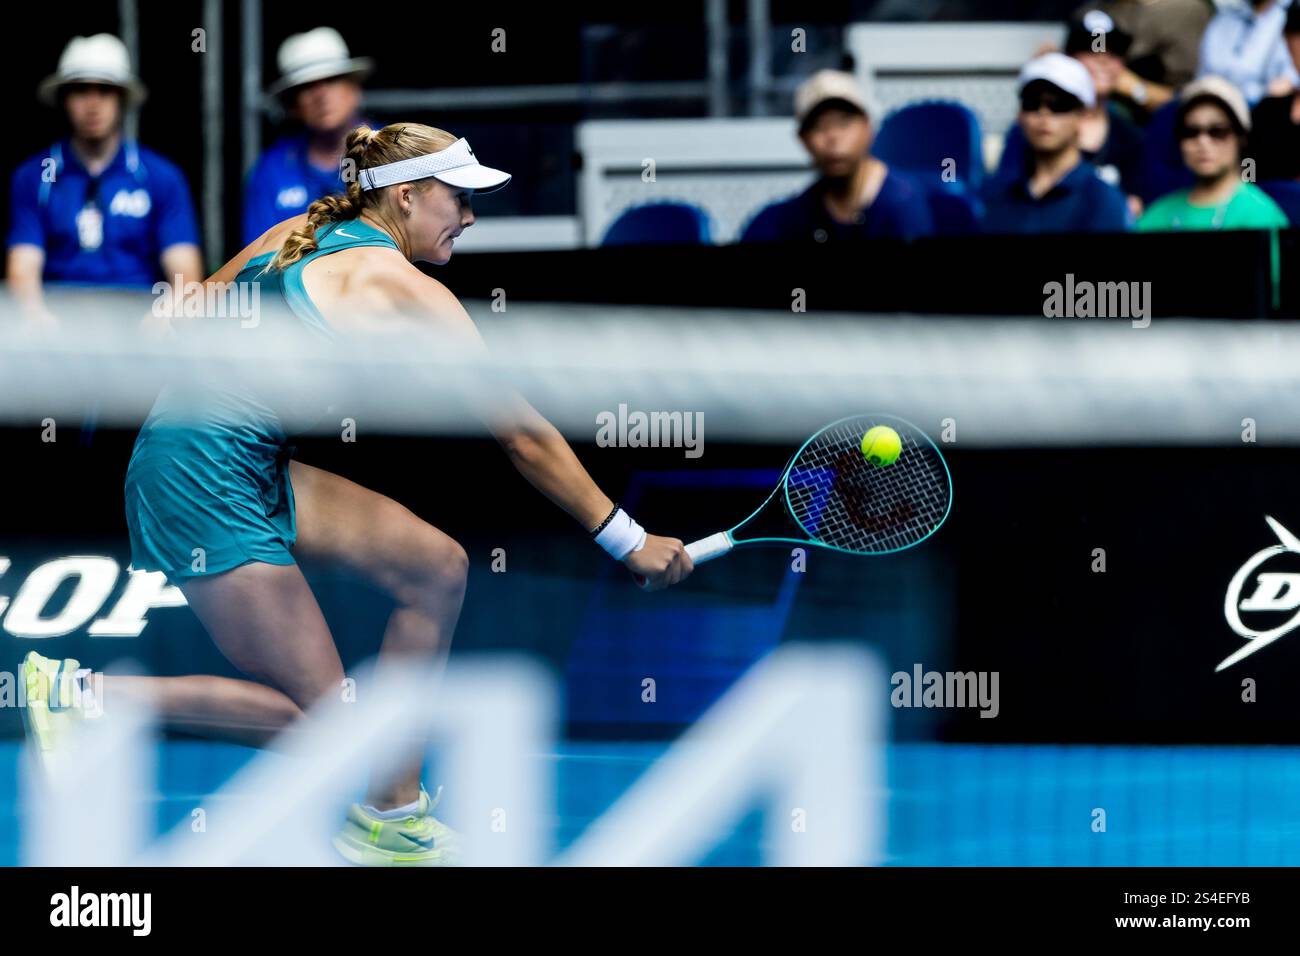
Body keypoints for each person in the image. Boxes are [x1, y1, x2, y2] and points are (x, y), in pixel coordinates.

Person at [21, 123, 694, 866]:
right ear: (406, 196)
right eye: (459, 199)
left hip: (239, 455)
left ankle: (390, 813)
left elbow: (171, 322)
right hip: (202, 474)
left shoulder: (296, 232)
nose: (469, 218)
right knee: (336, 725)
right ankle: (88, 701)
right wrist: (629, 540)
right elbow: (522, 435)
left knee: (434, 567)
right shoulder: (406, 289)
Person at [6, 34, 201, 321]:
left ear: (122, 98)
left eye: (105, 90)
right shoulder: (32, 176)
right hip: (59, 324)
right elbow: (22, 270)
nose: (93, 103)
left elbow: (186, 276)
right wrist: (39, 325)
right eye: (81, 90)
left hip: (138, 323)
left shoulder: (162, 176)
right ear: (64, 98)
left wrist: (161, 322)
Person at [740, 69, 933, 243]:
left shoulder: (901, 203)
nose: (833, 137)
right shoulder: (795, 214)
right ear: (803, 139)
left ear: (867, 128)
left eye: (844, 123)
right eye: (819, 126)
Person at [998, 10, 1147, 213]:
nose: (1102, 60)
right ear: (1067, 58)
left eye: (1113, 53)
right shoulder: (1030, 129)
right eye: (1091, 51)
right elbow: (1005, 196)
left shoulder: (1130, 134)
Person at [242, 27, 376, 245]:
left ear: (354, 89)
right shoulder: (271, 170)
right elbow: (258, 261)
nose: (321, 95)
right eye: (307, 87)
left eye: (331, 79)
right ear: (293, 105)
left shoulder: (396, 150)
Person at [982, 53, 1131, 234]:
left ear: (1083, 116)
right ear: (1019, 114)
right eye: (1032, 103)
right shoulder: (993, 194)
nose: (1044, 114)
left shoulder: (1103, 200)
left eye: (1060, 104)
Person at [1138, 76, 1289, 230]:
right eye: (1191, 132)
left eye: (1217, 131)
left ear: (1241, 137)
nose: (1203, 142)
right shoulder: (1156, 216)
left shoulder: (1261, 216)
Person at [1072, 0, 1214, 117]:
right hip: (1097, 109)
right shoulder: (1100, 9)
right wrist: (1100, 63)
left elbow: (1187, 98)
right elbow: (1099, 42)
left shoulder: (1185, 10)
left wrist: (1136, 89)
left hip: (1151, 120)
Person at [1196, 0, 1298, 107]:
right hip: (1217, 107)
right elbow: (1203, 78)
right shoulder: (1223, 18)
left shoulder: (1292, 15)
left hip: (1266, 109)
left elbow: (1288, 82)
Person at [1248, 2, 1300, 180]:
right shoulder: (1266, 111)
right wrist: (1247, 193)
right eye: (1297, 35)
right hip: (1265, 204)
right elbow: (1248, 167)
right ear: (1287, 42)